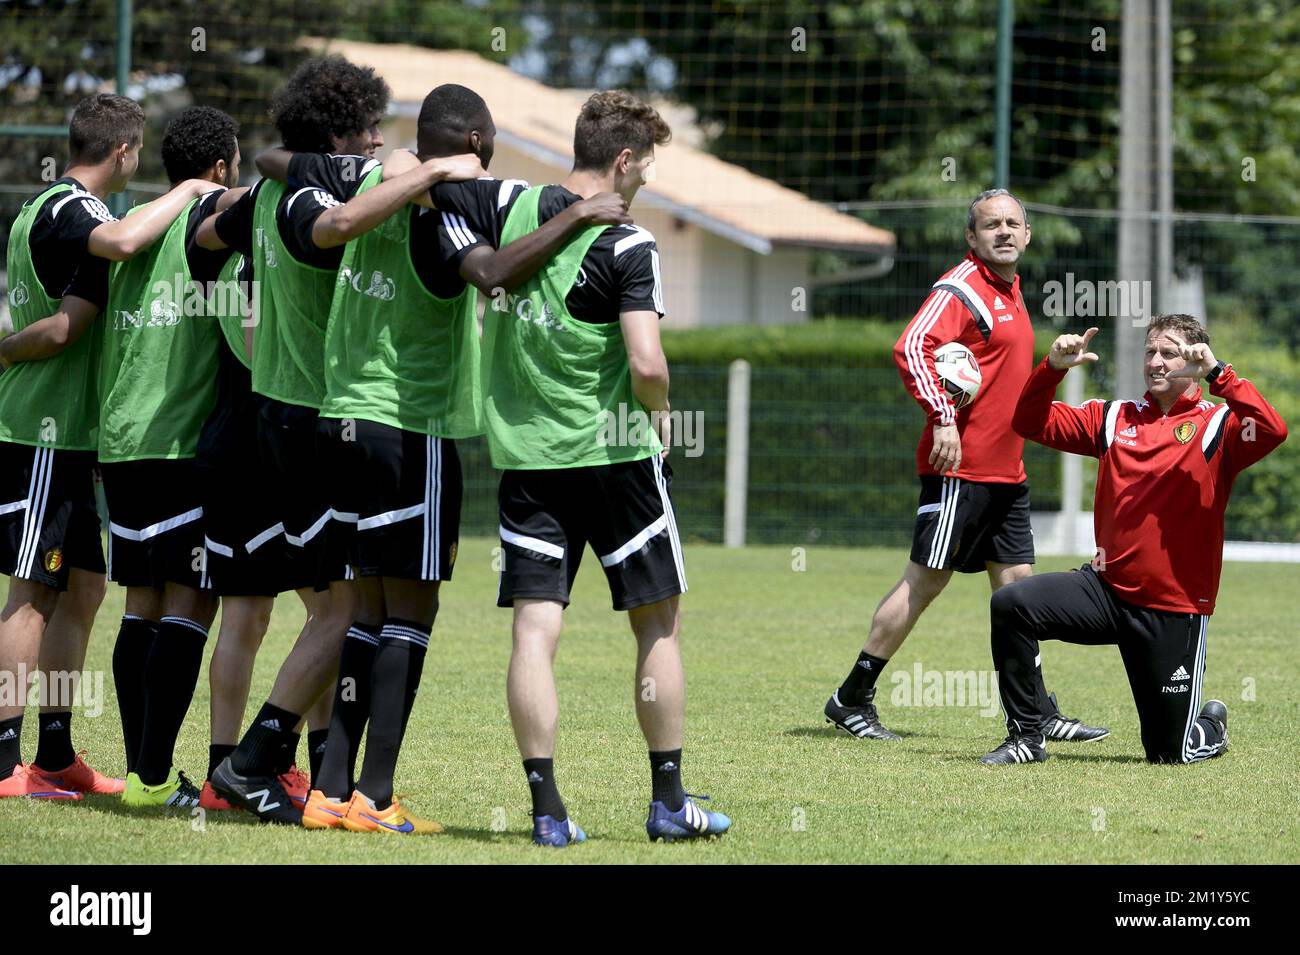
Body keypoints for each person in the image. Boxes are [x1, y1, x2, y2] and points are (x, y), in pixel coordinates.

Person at [253, 83, 634, 834]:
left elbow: (273, 159)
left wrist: (403, 166)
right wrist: (580, 211)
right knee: (412, 615)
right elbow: (493, 273)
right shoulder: (447, 212)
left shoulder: (364, 180)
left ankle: (331, 790)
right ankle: (377, 794)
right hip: (411, 426)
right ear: (479, 145)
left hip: (343, 421)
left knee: (365, 611)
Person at [433, 89, 730, 846]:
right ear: (623, 159)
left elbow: (438, 176)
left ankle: (546, 810)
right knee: (657, 622)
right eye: (649, 163)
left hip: (530, 463)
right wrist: (663, 422)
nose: (649, 180)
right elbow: (647, 360)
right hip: (619, 457)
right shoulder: (630, 244)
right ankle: (668, 801)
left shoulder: (513, 206)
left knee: (536, 631)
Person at [199, 56, 484, 823]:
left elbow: (204, 233)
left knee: (332, 606)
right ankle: (254, 761)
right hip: (315, 414)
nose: (379, 143)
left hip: (287, 414)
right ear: (339, 137)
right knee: (345, 611)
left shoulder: (264, 190)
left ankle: (321, 777)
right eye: (368, 132)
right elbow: (336, 222)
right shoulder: (307, 200)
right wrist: (420, 175)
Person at [822, 189, 1106, 744]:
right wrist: (943, 417)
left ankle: (1036, 711)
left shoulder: (1013, 291)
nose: (1002, 232)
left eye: (1011, 224)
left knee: (1019, 592)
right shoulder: (961, 288)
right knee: (925, 582)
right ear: (971, 239)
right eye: (989, 225)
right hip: (959, 470)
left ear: (1026, 235)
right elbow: (913, 347)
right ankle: (852, 695)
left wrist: (1052, 366)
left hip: (1007, 474)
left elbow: (1002, 380)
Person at [0, 93, 221, 799]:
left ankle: (55, 750)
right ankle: (5, 759)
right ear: (123, 151)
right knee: (32, 592)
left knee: (86, 585)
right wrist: (191, 187)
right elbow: (72, 318)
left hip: (79, 434)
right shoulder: (71, 207)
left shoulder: (58, 211)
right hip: (41, 428)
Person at [980, 314, 1286, 764]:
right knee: (1011, 604)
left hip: (1172, 608)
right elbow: (1030, 423)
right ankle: (1027, 737)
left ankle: (1210, 728)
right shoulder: (1113, 417)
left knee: (1167, 754)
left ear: (1194, 360)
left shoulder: (1218, 425)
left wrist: (1222, 374)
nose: (1156, 362)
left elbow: (1273, 429)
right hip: (1104, 591)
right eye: (1150, 352)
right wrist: (1052, 369)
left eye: (1169, 353)